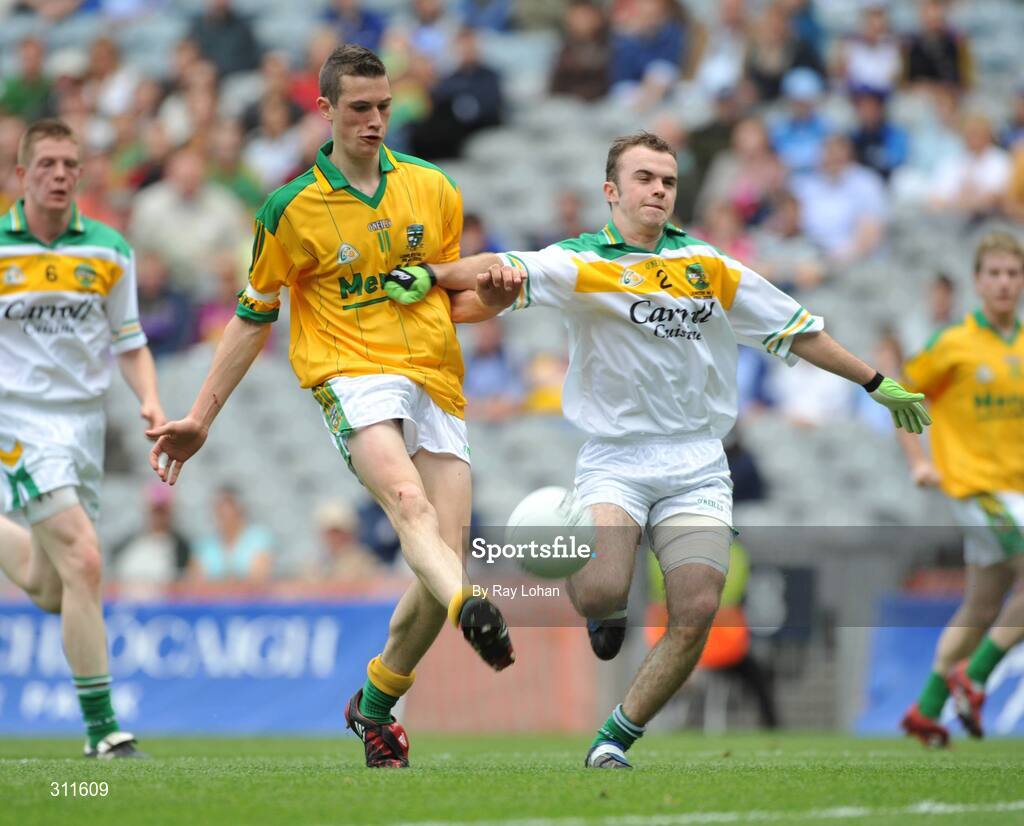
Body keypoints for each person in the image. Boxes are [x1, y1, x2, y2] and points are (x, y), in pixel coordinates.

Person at [385, 131, 931, 768]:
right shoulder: (582, 261)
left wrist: (874, 382)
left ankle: (615, 738)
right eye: (644, 178)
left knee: (697, 610)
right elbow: (496, 267)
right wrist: (433, 274)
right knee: (598, 592)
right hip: (616, 459)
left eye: (668, 181)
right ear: (611, 191)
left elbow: (797, 330)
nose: (659, 190)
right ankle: (605, 609)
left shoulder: (710, 265)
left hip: (698, 462)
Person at [145, 45, 515, 769]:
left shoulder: (434, 188)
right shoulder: (289, 209)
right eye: (359, 109)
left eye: (384, 107)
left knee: (440, 557)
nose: (375, 121)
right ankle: (471, 608)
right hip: (351, 375)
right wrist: (202, 417)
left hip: (435, 377)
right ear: (325, 110)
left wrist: (492, 300)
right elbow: (252, 316)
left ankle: (374, 703)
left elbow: (446, 296)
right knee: (408, 506)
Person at [0, 118, 163, 758]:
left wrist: (149, 398)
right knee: (85, 561)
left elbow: (130, 341)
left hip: (83, 426)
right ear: (22, 174)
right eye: (47, 164)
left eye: (70, 164)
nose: (60, 175)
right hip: (16, 421)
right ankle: (103, 731)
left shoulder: (108, 250)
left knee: (51, 586)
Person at [897, 232, 1024, 747]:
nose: (1004, 282)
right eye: (994, 273)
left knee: (981, 607)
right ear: (978, 281)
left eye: (1013, 273)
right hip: (977, 489)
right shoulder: (953, 343)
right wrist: (918, 462)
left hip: (1017, 493)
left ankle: (927, 711)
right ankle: (974, 678)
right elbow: (900, 396)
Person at [192, 485, 275, 584]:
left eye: (226, 506)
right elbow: (196, 581)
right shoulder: (205, 544)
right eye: (218, 507)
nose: (221, 512)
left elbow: (259, 578)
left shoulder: (259, 538)